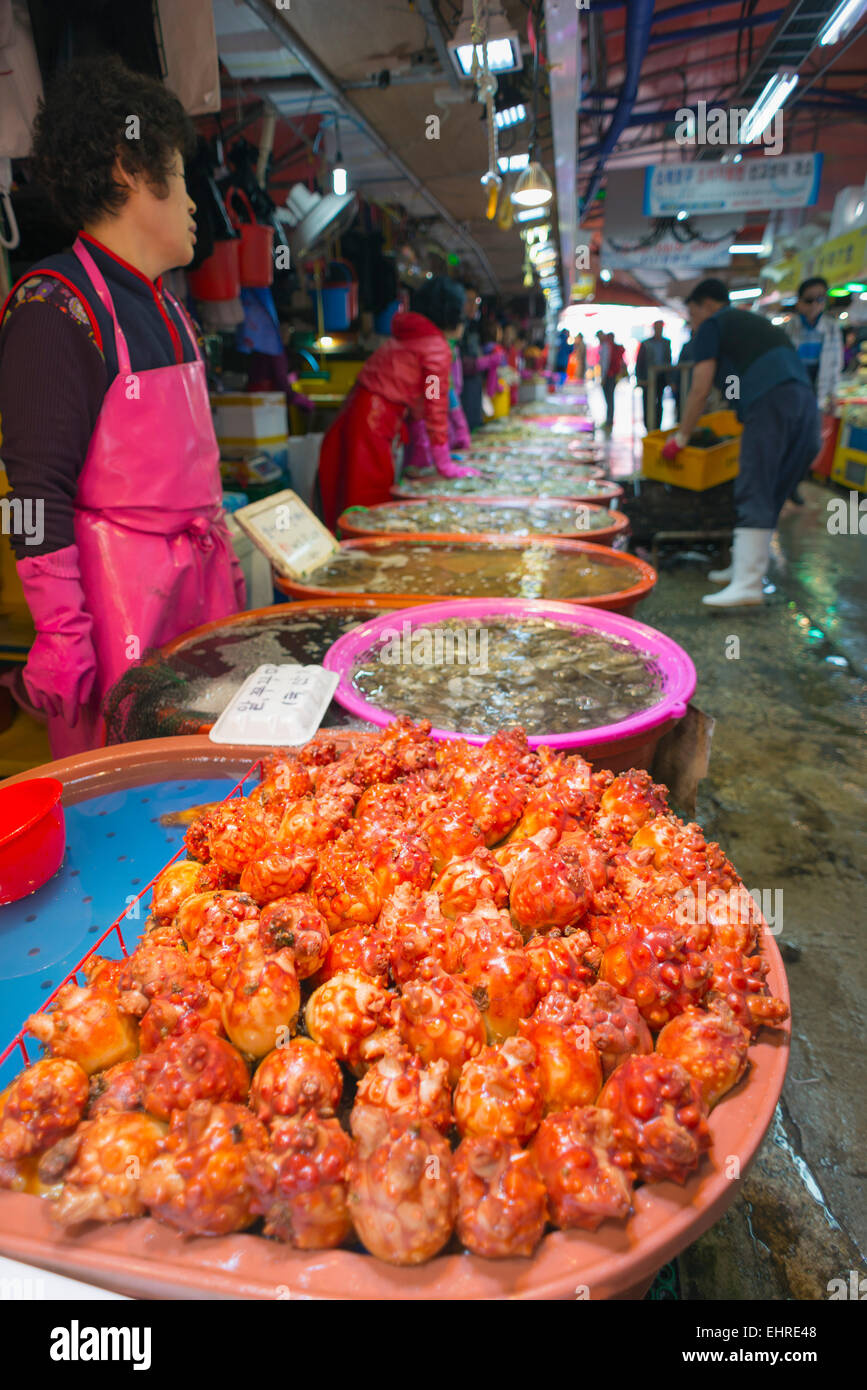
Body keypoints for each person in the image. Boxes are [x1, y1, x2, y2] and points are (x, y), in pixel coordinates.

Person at [0, 57, 245, 757]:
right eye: (178, 173)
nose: (196, 203)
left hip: (198, 599)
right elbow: (28, 495)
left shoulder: (168, 307)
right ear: (128, 167)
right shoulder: (55, 308)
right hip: (116, 619)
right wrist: (60, 634)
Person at [663, 278, 819, 608]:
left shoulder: (712, 325)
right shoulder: (751, 323)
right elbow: (733, 383)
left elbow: (700, 387)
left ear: (705, 305)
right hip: (804, 403)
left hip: (771, 402)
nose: (692, 321)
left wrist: (681, 437)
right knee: (773, 487)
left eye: (691, 313)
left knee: (754, 483)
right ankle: (743, 569)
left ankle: (748, 584)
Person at [316, 276, 477, 529]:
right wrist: (442, 460)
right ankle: (364, 559)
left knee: (348, 489)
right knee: (367, 497)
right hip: (374, 422)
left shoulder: (411, 335)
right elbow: (435, 400)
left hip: (359, 412)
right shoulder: (435, 345)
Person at [784, 277, 844, 411]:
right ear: (799, 302)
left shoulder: (832, 327)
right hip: (795, 387)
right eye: (809, 300)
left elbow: (835, 363)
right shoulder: (790, 327)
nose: (814, 305)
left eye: (820, 299)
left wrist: (833, 394)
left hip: (820, 387)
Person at [636, 320, 672, 430]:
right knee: (647, 401)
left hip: (661, 377)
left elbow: (668, 359)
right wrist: (640, 378)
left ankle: (657, 425)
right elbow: (640, 362)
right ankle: (648, 425)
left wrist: (669, 377)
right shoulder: (646, 343)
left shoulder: (666, 342)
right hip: (648, 377)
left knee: (659, 402)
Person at [600, 332, 625, 431]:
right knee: (610, 398)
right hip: (613, 376)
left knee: (609, 398)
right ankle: (609, 419)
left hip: (609, 376)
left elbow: (605, 363)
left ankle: (609, 420)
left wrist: (603, 378)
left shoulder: (607, 347)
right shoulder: (613, 347)